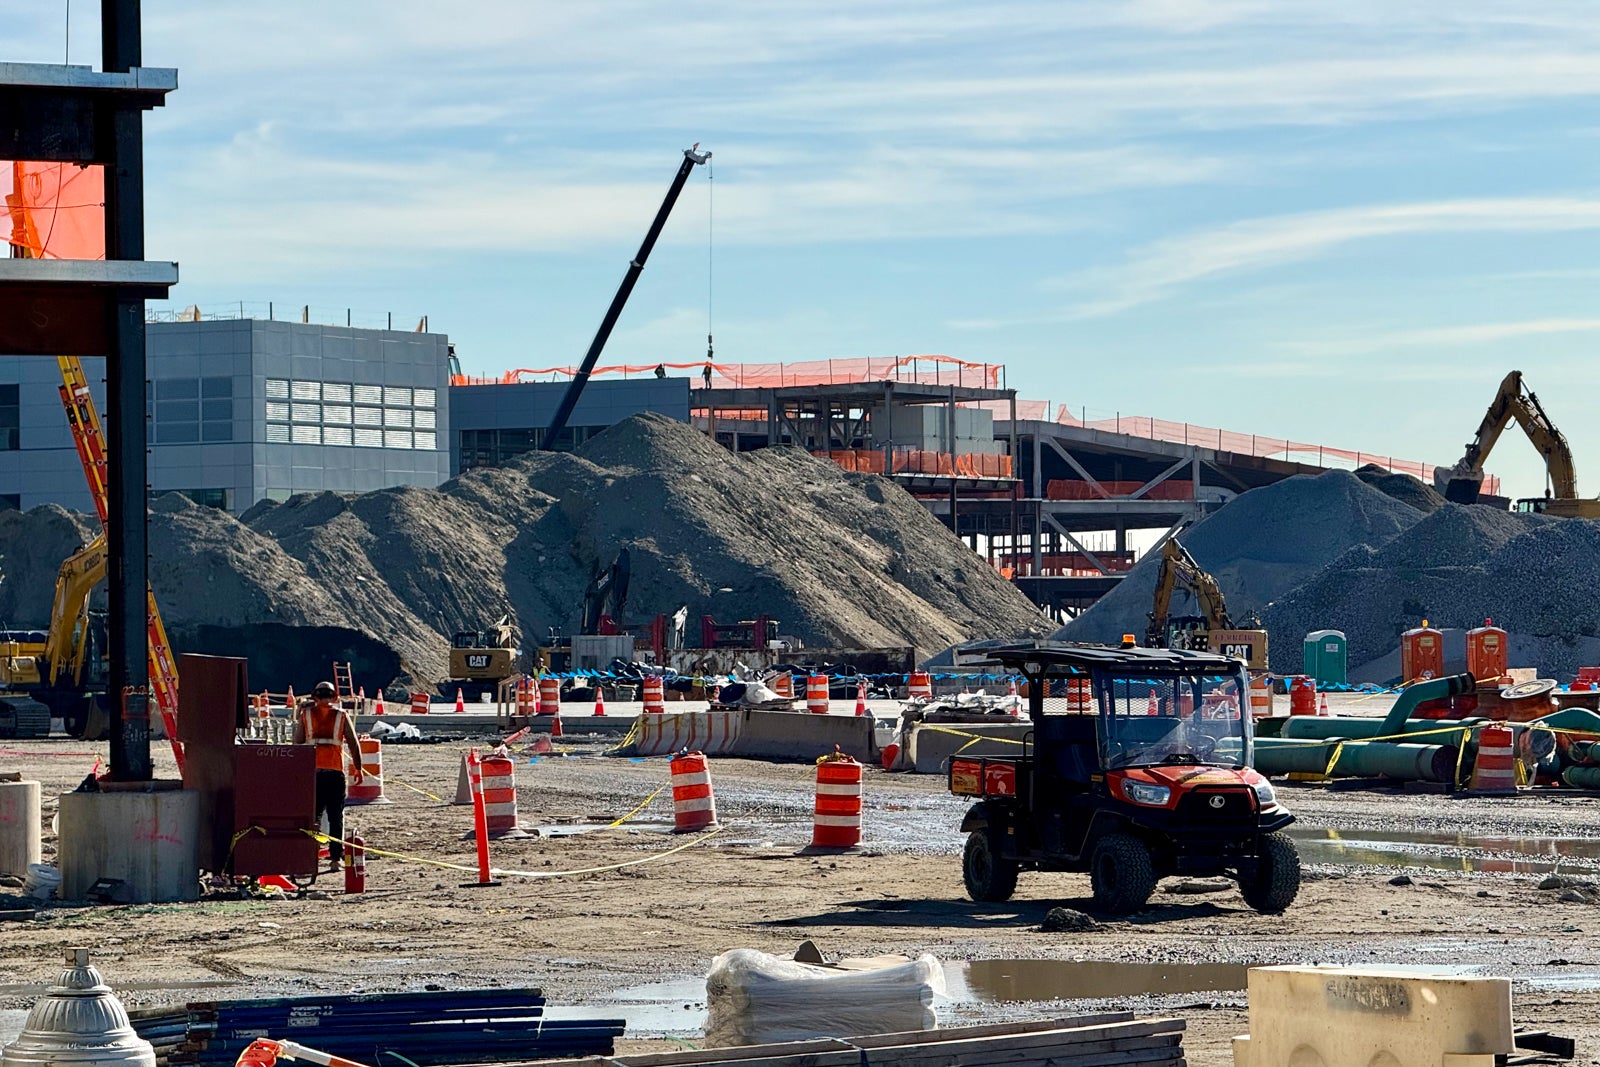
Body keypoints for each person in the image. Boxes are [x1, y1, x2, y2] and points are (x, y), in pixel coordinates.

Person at [292, 680, 364, 869]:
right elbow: (354, 744)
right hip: (334, 772)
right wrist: (358, 767)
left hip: (313, 773)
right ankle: (335, 859)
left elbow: (297, 742)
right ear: (335, 697)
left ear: (314, 696)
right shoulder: (341, 716)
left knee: (312, 816)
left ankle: (310, 856)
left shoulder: (306, 715)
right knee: (335, 816)